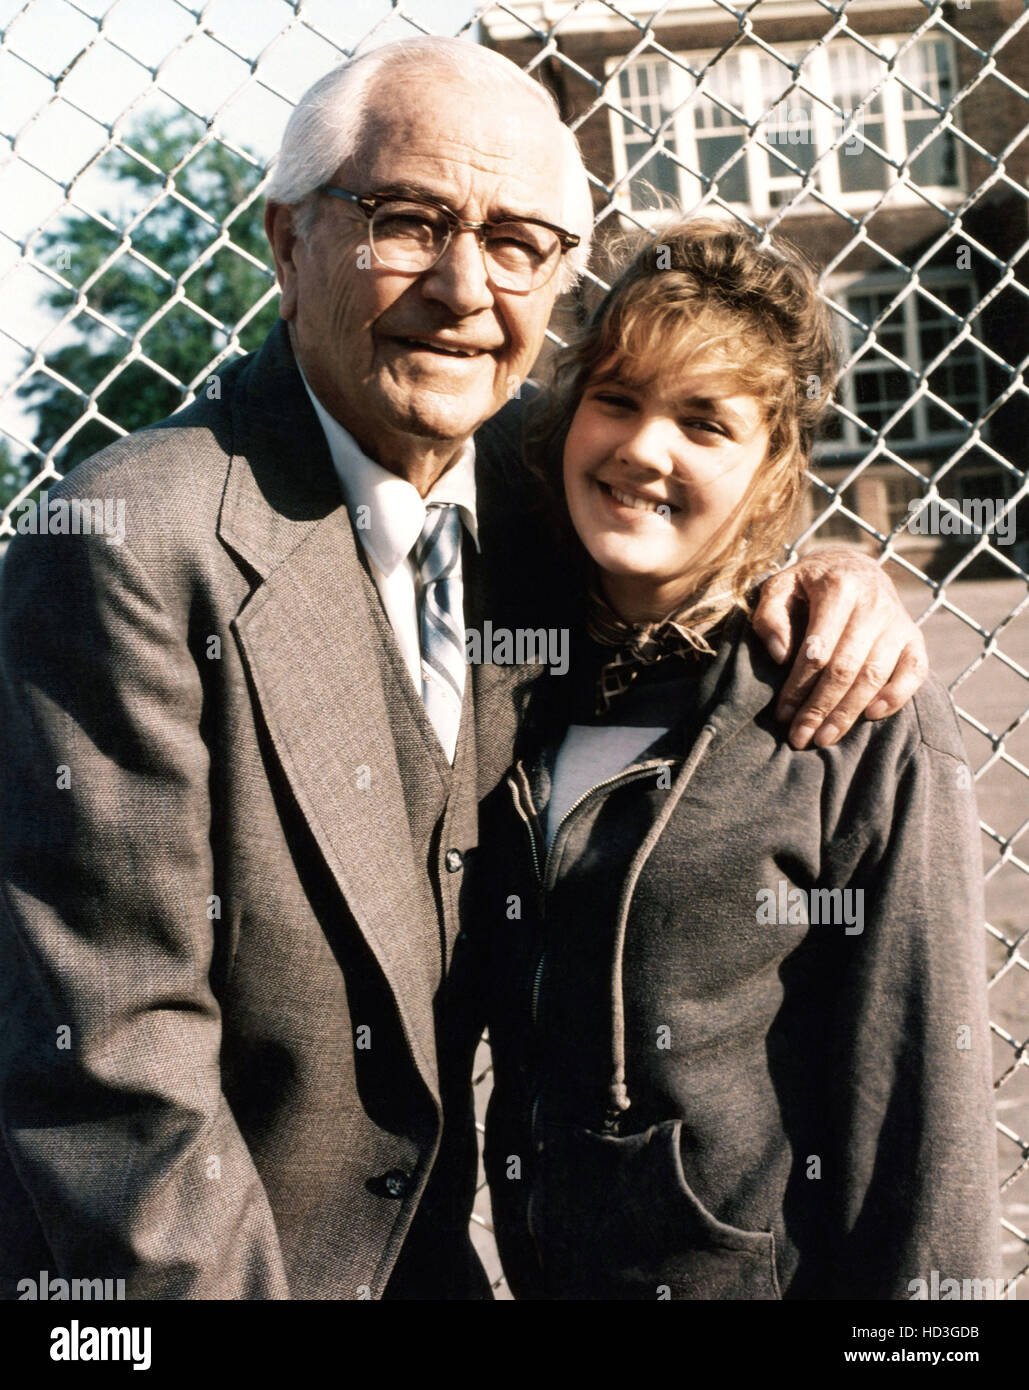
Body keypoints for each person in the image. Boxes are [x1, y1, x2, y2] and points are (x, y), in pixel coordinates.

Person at [0, 39, 928, 1301]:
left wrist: (828, 579)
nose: (464, 287)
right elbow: (113, 1071)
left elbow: (695, 491)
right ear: (286, 240)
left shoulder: (533, 495)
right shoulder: (132, 545)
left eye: (518, 241)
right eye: (407, 220)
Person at [471, 220, 1000, 1300]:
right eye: (616, 398)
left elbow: (920, 1116)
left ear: (770, 469)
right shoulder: (508, 662)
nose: (642, 449)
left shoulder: (842, 708)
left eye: (704, 423)